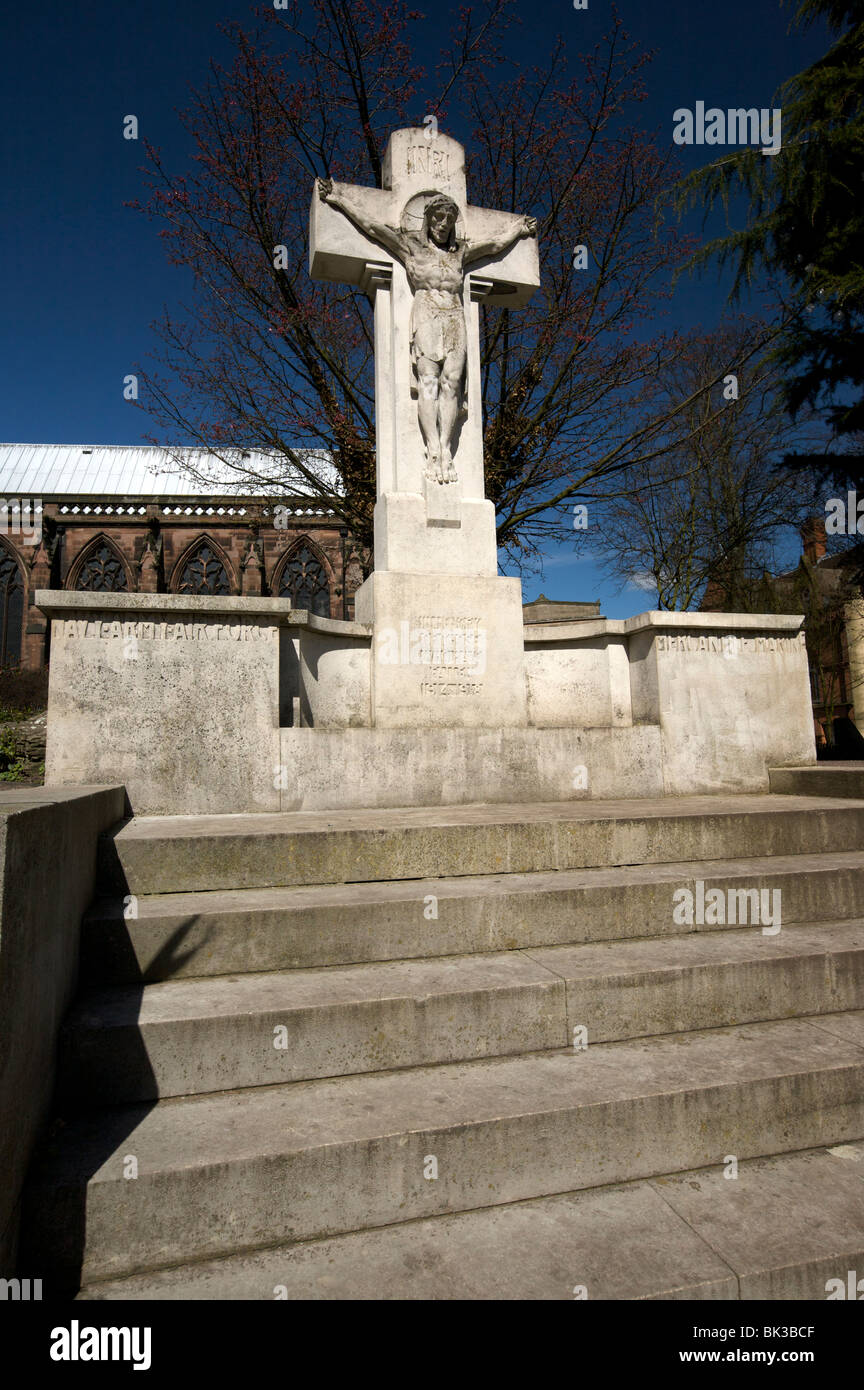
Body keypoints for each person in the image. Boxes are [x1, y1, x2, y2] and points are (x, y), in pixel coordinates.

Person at [318, 179, 536, 483]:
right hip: (426, 315)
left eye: (449, 219)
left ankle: (446, 447)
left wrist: (519, 230)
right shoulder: (411, 247)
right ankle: (432, 447)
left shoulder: (460, 254)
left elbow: (496, 245)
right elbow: (371, 226)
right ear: (428, 219)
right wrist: (340, 199)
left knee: (454, 382)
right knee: (429, 382)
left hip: (454, 317)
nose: (443, 224)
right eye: (438, 218)